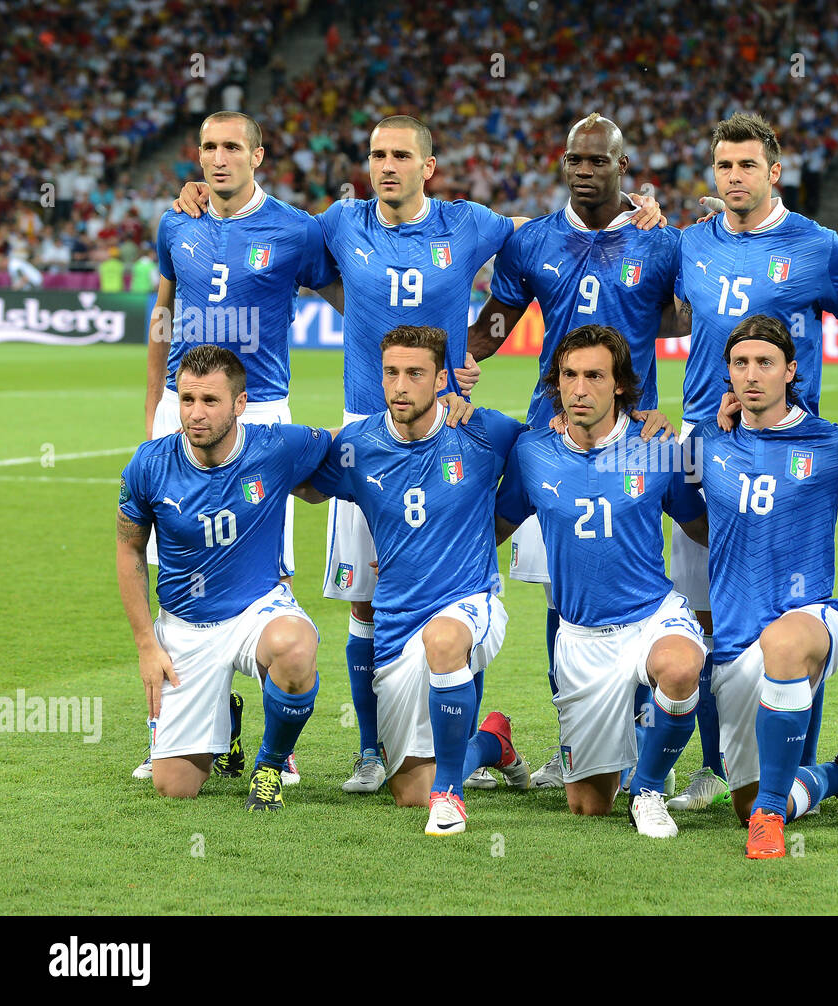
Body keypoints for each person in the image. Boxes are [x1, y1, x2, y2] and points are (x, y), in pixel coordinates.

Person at [173, 115, 661, 791]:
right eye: (376, 154)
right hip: (363, 431)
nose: (386, 165)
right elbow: (263, 219)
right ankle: (372, 752)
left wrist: (635, 216)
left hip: (450, 431)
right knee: (364, 600)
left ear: (427, 167)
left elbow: (552, 226)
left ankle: (460, 753)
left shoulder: (470, 224)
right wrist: (202, 196)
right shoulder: (339, 224)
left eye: (401, 155)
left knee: (460, 587)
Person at [467, 114, 682, 791]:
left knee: (639, 581)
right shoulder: (533, 241)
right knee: (567, 585)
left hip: (633, 438)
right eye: (574, 159)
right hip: (552, 435)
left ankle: (650, 742)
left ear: (625, 167)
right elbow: (498, 321)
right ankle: (576, 738)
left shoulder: (659, 241)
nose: (584, 169)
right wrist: (452, 363)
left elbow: (685, 313)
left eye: (598, 160)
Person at [670, 113, 838, 814]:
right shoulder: (691, 243)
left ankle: (800, 770)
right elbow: (666, 312)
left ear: (774, 171)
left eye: (746, 166)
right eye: (723, 166)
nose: (733, 178)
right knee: (706, 615)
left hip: (792, 452)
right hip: (707, 443)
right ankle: (715, 764)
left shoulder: (814, 247)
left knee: (791, 606)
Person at [135, 110, 341, 785]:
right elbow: (163, 311)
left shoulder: (294, 229)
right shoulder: (176, 223)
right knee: (174, 564)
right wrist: (153, 409)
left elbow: (348, 298)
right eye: (208, 147)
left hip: (261, 412)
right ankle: (179, 725)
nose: (218, 159)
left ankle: (278, 739)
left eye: (232, 147)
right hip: (182, 404)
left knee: (266, 570)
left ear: (259, 153)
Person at [295, 325, 529, 835]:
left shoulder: (482, 431)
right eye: (391, 373)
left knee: (444, 641)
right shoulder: (360, 445)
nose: (400, 386)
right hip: (398, 623)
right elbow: (309, 486)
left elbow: (553, 444)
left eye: (415, 374)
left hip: (471, 605)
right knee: (407, 794)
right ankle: (491, 742)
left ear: (442, 379)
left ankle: (450, 796)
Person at [684, 316, 838, 859]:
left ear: (791, 370)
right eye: (740, 364)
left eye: (765, 363)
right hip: (732, 638)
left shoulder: (833, 445)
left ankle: (771, 821)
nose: (752, 375)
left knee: (786, 644)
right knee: (744, 802)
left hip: (810, 616)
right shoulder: (706, 441)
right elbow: (659, 484)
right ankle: (836, 778)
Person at [495, 326, 708, 837]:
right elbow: (490, 530)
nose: (579, 388)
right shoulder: (532, 453)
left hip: (650, 616)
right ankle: (632, 741)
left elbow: (700, 527)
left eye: (594, 375)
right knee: (588, 807)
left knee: (679, 669)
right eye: (569, 375)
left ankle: (650, 790)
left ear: (619, 386)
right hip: (581, 638)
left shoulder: (658, 447)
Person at [116, 346, 332, 810]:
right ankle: (225, 724)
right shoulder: (149, 464)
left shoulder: (275, 446)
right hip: (185, 626)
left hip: (257, 609)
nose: (196, 413)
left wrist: (442, 408)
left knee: (294, 647)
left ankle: (270, 765)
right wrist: (146, 645)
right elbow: (130, 548)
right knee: (175, 786)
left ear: (239, 403)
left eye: (210, 401)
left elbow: (353, 441)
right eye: (187, 399)